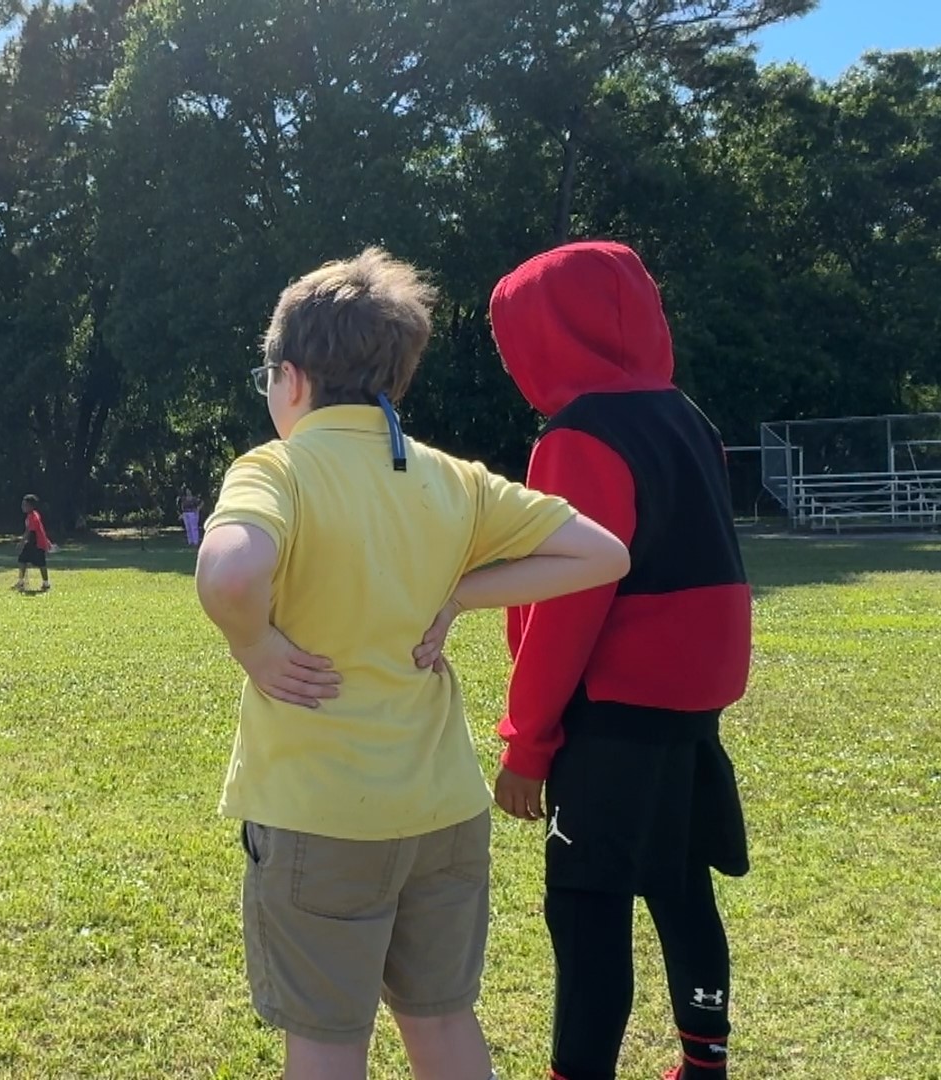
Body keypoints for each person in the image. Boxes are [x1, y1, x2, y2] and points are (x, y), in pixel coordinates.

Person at [195, 248, 630, 1080]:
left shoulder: (274, 468)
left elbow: (231, 570)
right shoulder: (452, 479)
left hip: (320, 817)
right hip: (443, 812)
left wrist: (254, 644)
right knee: (442, 1021)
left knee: (326, 1042)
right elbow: (600, 552)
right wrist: (461, 593)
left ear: (289, 377)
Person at [479, 241, 753, 1080]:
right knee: (681, 885)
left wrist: (528, 746)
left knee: (588, 904)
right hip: (691, 706)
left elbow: (566, 609)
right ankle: (705, 1059)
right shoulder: (688, 417)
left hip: (613, 713)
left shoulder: (577, 436)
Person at [13, 494, 53, 593]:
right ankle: (21, 581)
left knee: (41, 563)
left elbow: (29, 532)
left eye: (25, 505)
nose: (23, 506)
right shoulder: (32, 515)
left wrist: (21, 543)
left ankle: (46, 583)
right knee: (22, 559)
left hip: (36, 543)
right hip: (32, 542)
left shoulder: (33, 517)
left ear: (31, 506)